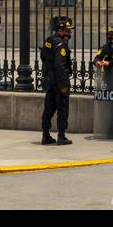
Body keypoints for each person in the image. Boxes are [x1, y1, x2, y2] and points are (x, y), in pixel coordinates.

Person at [40, 16, 74, 145]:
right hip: (59, 81)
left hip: (49, 79)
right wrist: (64, 84)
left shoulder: (49, 41)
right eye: (67, 31)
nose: (69, 33)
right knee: (62, 108)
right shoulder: (61, 45)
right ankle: (61, 135)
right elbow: (60, 66)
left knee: (49, 108)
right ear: (61, 31)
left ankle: (45, 135)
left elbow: (43, 56)